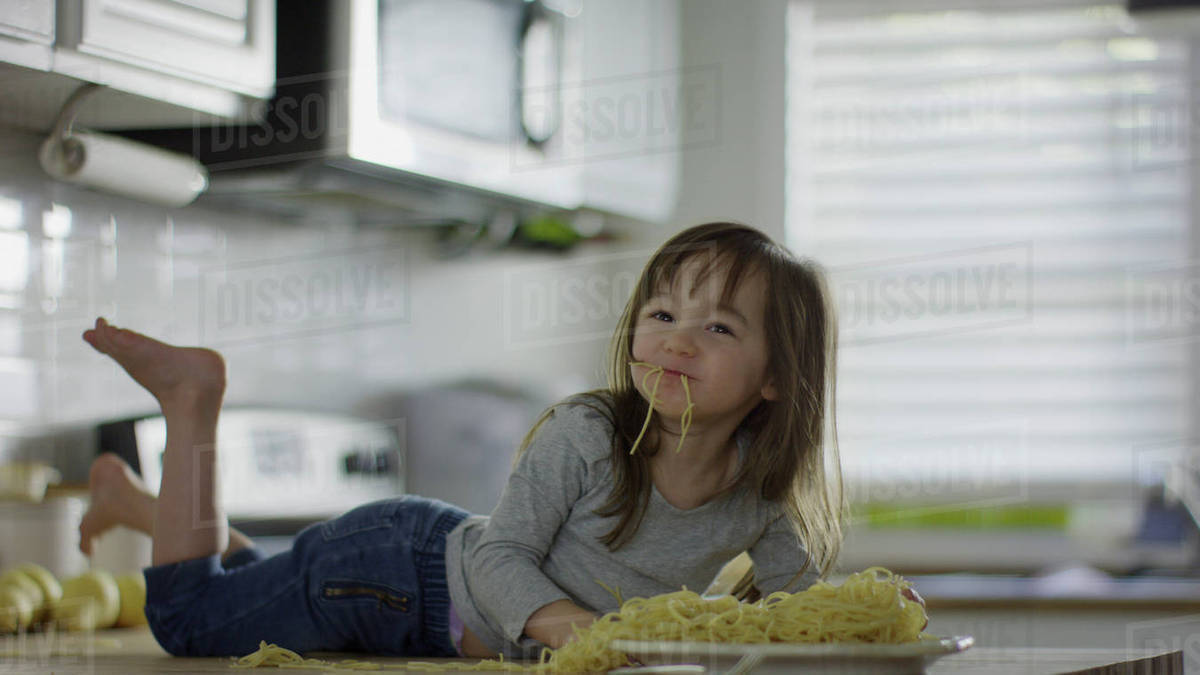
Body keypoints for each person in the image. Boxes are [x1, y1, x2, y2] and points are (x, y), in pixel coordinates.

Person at [77, 222, 845, 660]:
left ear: (776, 377)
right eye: (663, 314)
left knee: (256, 583)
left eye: (717, 327)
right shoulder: (588, 434)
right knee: (191, 620)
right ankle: (190, 399)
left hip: (413, 587)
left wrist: (865, 610)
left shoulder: (759, 492)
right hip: (398, 577)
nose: (678, 340)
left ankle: (135, 502)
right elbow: (497, 557)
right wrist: (569, 626)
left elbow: (796, 602)